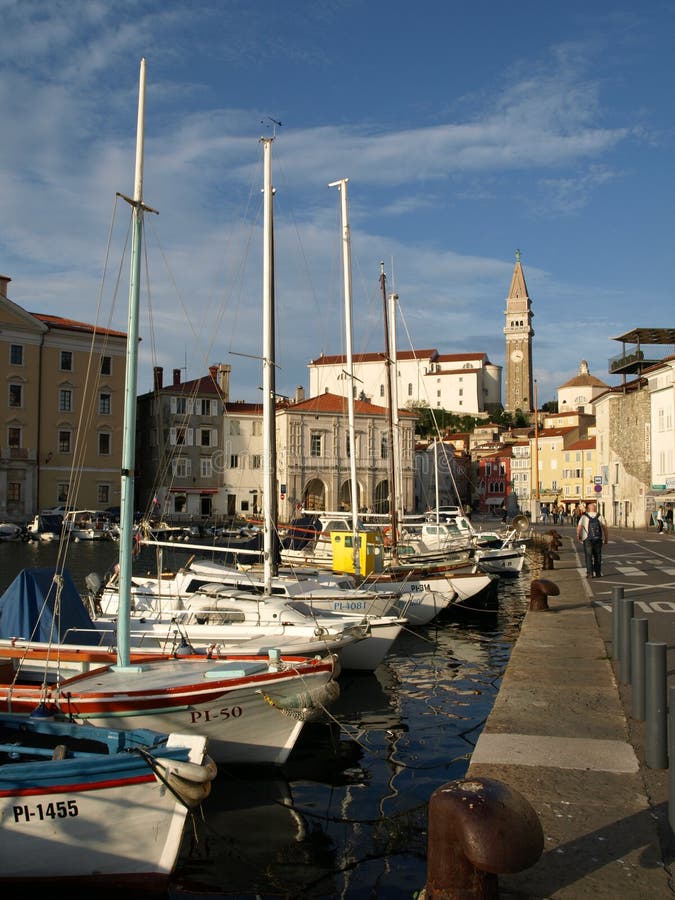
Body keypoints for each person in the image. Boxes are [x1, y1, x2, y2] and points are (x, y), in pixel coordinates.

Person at [576, 501, 609, 577]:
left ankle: (590, 573)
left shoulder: (584, 516)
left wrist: (578, 535)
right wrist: (606, 538)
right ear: (595, 509)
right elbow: (605, 528)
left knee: (588, 556)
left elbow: (579, 527)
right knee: (597, 556)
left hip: (587, 539)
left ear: (588, 509)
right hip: (598, 539)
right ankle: (598, 572)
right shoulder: (600, 516)